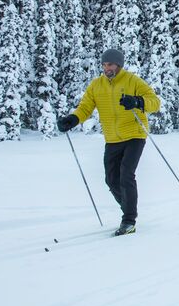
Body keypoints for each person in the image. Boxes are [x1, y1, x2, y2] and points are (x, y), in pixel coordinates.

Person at [56, 49, 161, 236]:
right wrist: (73, 119)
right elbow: (86, 107)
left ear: (119, 65)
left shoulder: (132, 81)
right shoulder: (97, 85)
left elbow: (154, 102)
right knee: (111, 180)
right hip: (112, 138)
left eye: (111, 65)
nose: (107, 69)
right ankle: (129, 208)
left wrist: (137, 101)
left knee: (126, 174)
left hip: (135, 134)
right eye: (104, 65)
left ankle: (129, 220)